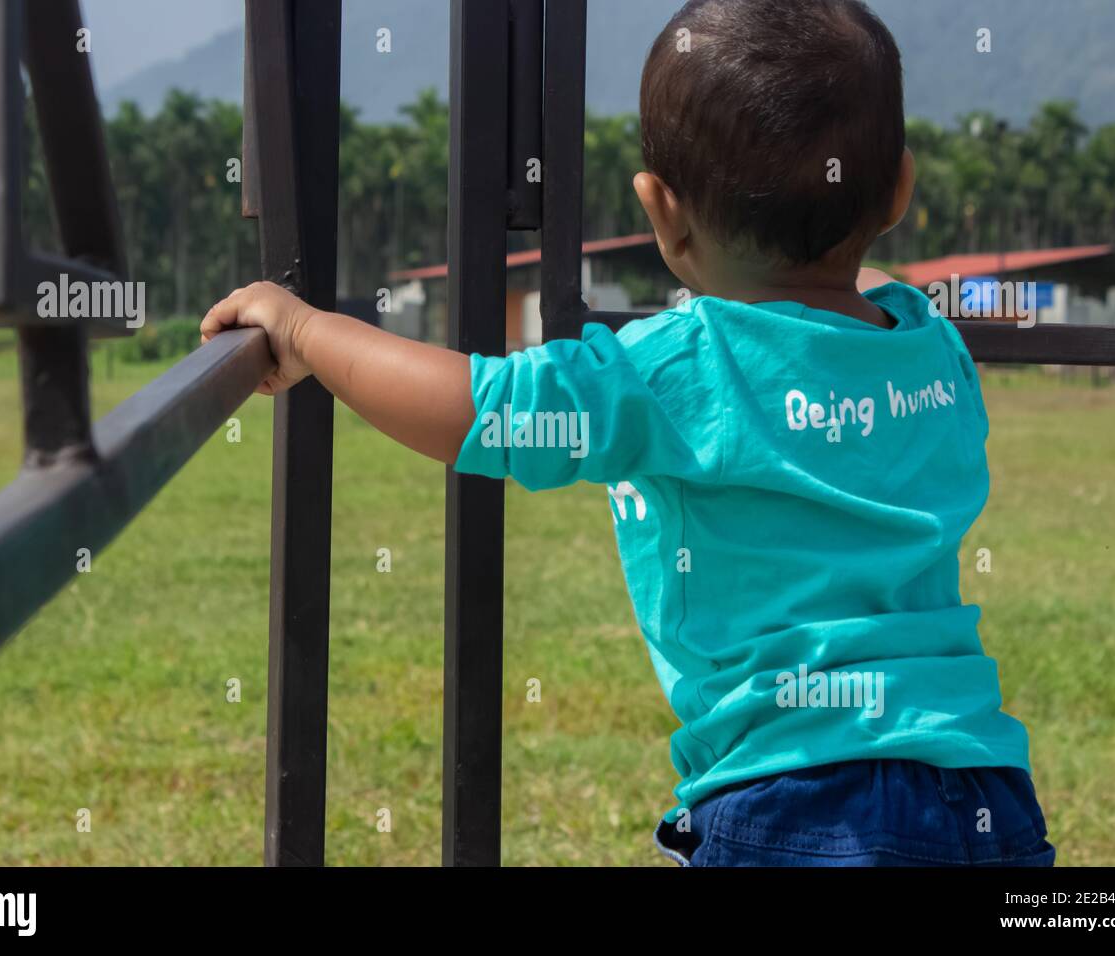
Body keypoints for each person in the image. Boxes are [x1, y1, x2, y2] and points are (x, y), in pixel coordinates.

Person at [201, 0, 1054, 866]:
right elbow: (856, 286)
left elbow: (478, 407)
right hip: (984, 792)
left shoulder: (678, 368)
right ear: (903, 190)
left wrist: (307, 330)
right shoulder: (925, 341)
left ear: (662, 213)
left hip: (799, 800)